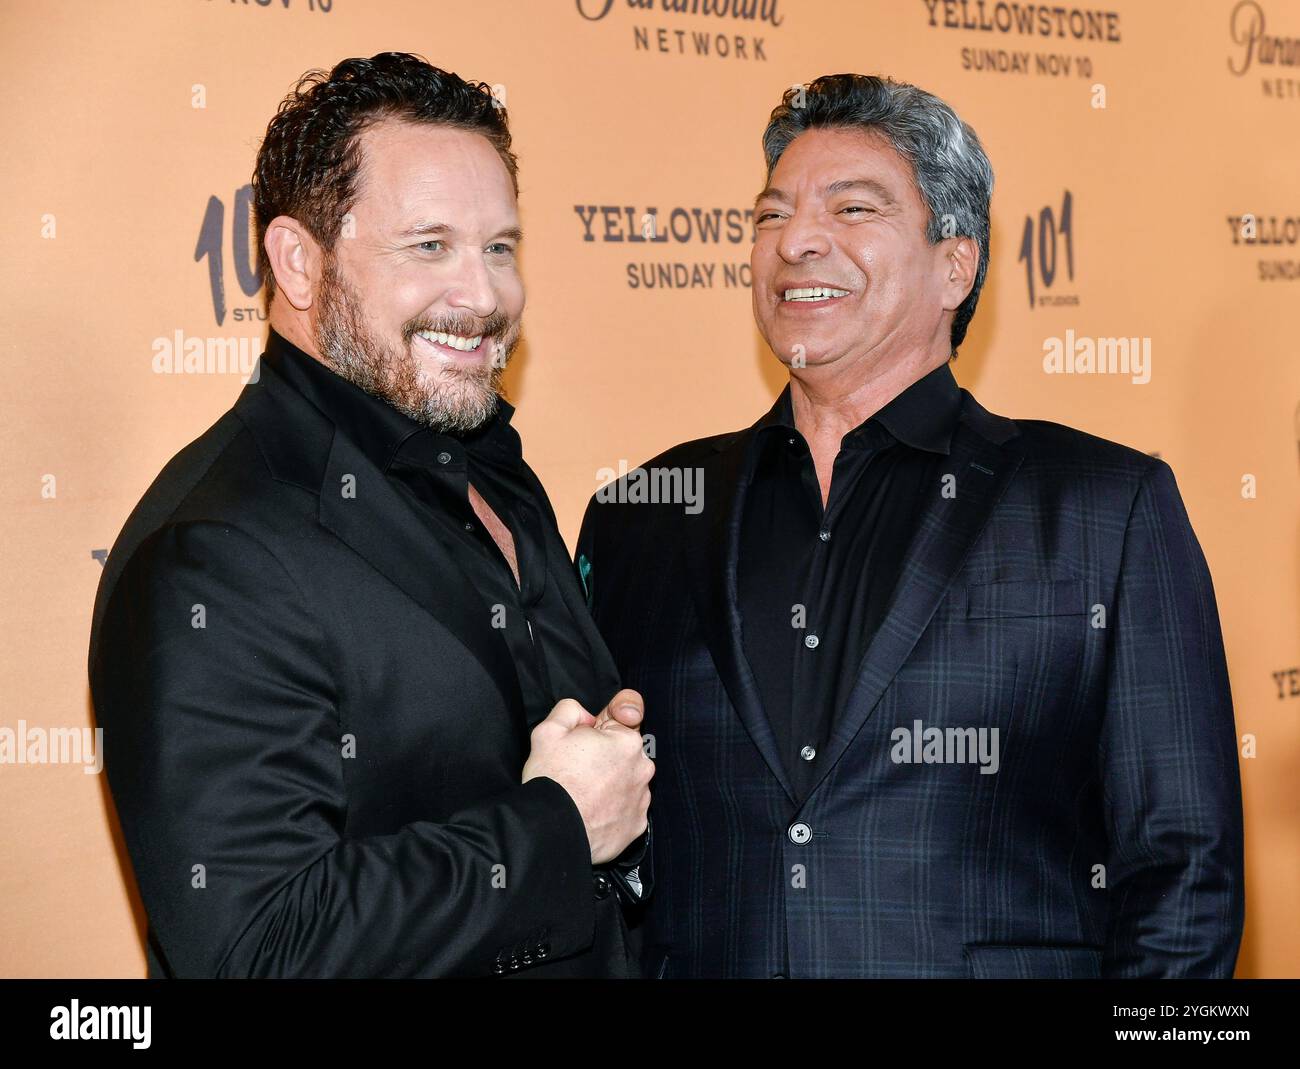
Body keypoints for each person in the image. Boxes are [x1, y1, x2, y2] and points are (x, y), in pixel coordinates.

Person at [577, 73, 1244, 979]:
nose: (797, 241)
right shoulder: (642, 514)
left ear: (954, 265)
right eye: (771, 216)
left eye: (853, 209)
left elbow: (1186, 873)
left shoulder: (1102, 508)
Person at [88, 52, 652, 978]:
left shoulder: (493, 471)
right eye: (429, 246)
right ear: (297, 263)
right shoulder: (211, 549)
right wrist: (557, 826)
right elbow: (257, 945)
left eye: (500, 247)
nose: (484, 297)